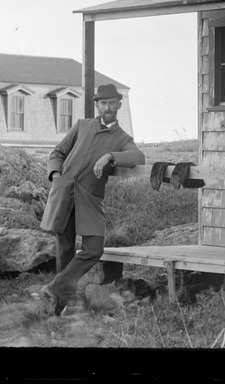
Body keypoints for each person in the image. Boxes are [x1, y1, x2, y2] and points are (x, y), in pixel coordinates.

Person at [39, 83, 145, 316]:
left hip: (90, 197)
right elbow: (57, 153)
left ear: (119, 104)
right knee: (65, 250)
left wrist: (109, 156)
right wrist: (57, 176)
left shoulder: (121, 137)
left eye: (111, 103)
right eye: (103, 103)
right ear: (97, 105)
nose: (107, 107)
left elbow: (138, 156)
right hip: (64, 193)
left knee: (94, 248)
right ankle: (61, 306)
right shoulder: (82, 126)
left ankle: (53, 289)